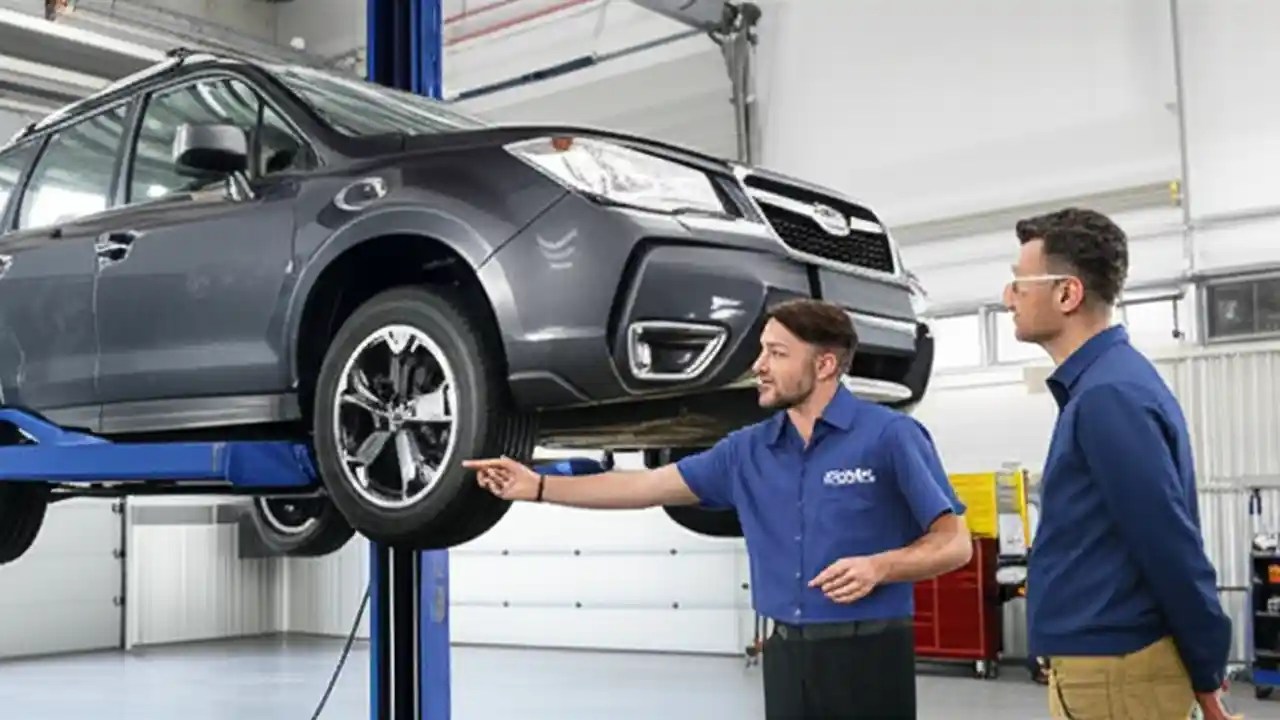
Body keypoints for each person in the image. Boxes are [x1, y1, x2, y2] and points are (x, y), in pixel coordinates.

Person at [464, 298, 972, 719]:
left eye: (776, 353)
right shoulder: (746, 450)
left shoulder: (889, 436)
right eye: (761, 351)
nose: (758, 366)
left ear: (824, 365)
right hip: (786, 653)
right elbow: (643, 486)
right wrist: (537, 487)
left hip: (870, 653)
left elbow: (954, 543)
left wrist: (882, 566)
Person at [1004, 208, 1236, 720]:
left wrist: (1206, 668)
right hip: (1109, 667)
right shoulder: (1103, 385)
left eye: (1020, 283)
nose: (1008, 298)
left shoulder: (1108, 396)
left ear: (1067, 293)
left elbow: (1166, 542)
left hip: (1116, 673)